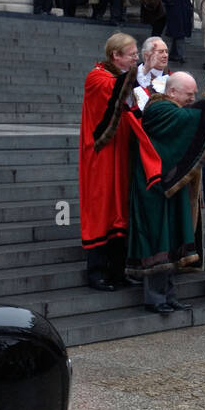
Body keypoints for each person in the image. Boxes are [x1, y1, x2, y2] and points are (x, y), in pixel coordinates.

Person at [128, 71, 205, 314]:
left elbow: (193, 115)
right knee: (158, 240)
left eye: (195, 93)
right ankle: (155, 298)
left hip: (168, 185)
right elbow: (192, 117)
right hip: (153, 187)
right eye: (189, 94)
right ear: (172, 92)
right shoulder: (158, 109)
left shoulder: (170, 107)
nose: (192, 98)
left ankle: (169, 294)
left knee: (171, 238)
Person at [79, 33, 162, 291]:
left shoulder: (122, 79)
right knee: (102, 208)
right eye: (133, 54)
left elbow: (132, 103)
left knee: (120, 210)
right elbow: (114, 92)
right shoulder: (97, 77)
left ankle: (118, 271)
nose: (136, 58)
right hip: (101, 156)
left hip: (121, 152)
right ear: (116, 56)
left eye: (138, 54)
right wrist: (143, 70)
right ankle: (96, 273)